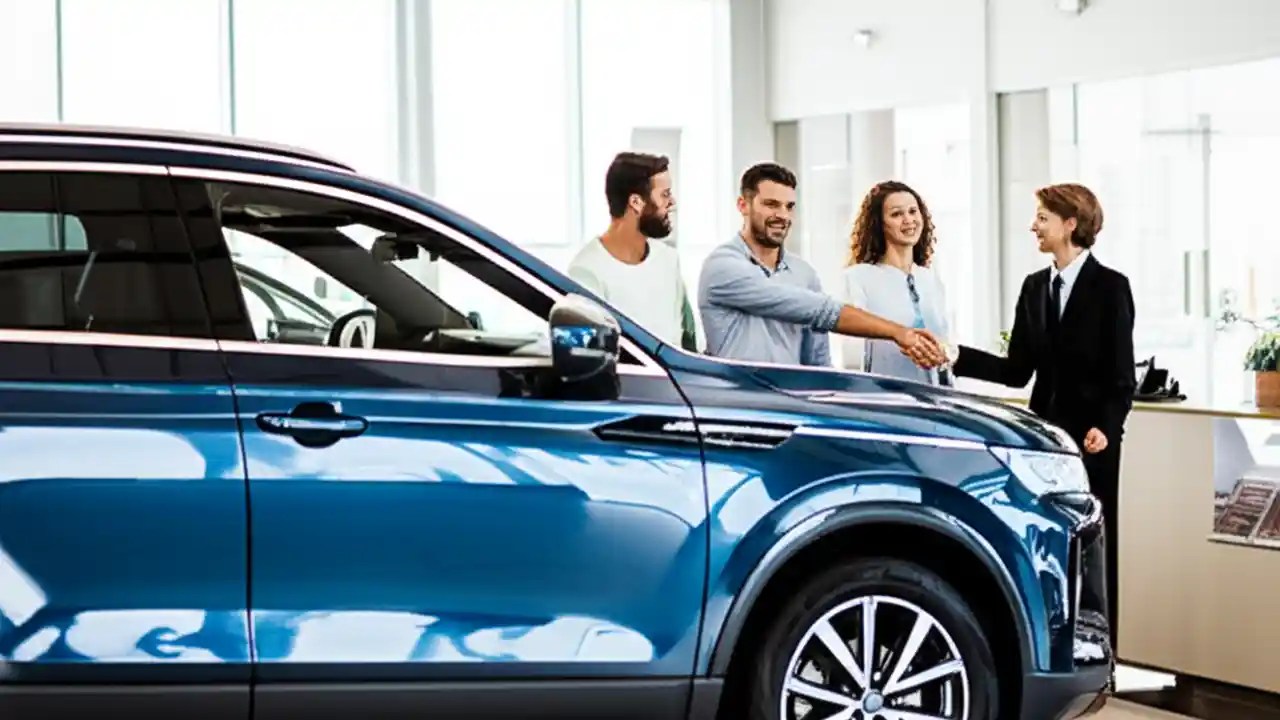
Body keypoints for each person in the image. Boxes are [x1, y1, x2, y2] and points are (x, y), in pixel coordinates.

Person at [950, 182, 1135, 651]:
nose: (1034, 225)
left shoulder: (1112, 288)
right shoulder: (1035, 287)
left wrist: (1106, 429)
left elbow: (1121, 376)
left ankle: (1100, 654)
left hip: (1092, 445)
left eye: (1042, 218)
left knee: (1092, 553)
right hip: (1042, 445)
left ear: (1070, 224)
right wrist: (952, 355)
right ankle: (1048, 651)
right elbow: (1017, 371)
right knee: (1044, 549)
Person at [697, 162, 946, 370]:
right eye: (771, 204)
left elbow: (817, 362)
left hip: (792, 412)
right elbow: (819, 311)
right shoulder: (723, 267)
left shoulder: (803, 274)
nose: (782, 215)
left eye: (789, 206)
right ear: (743, 205)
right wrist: (898, 332)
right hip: (737, 411)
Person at [566, 151, 698, 352]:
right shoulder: (586, 270)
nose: (672, 203)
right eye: (665, 194)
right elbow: (581, 352)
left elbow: (689, 339)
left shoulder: (669, 260)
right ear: (636, 202)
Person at [842, 180, 953, 385]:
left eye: (913, 211)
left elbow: (946, 344)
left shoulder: (930, 279)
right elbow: (852, 354)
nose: (908, 220)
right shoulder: (858, 278)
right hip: (885, 400)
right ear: (879, 224)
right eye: (896, 214)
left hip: (936, 399)